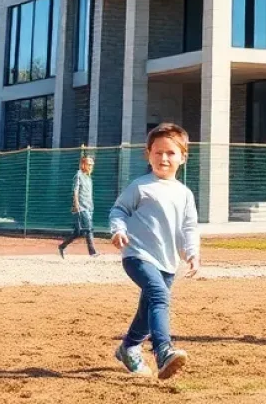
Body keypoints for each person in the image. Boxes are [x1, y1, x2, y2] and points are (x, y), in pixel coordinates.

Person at [110, 123, 200, 380]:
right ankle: (163, 351)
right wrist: (118, 230)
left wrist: (192, 253)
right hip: (137, 255)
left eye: (171, 153)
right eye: (158, 152)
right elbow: (118, 210)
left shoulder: (185, 194)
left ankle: (128, 347)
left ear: (183, 157)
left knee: (147, 310)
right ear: (148, 154)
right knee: (159, 296)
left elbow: (189, 227)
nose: (164, 158)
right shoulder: (140, 187)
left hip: (168, 262)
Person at [59, 154, 98, 258]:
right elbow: (75, 191)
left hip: (89, 208)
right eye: (88, 164)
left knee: (78, 232)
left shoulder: (89, 178)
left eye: (92, 165)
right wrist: (76, 205)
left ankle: (62, 246)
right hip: (81, 207)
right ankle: (93, 252)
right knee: (89, 229)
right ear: (83, 164)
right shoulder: (78, 175)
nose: (90, 166)